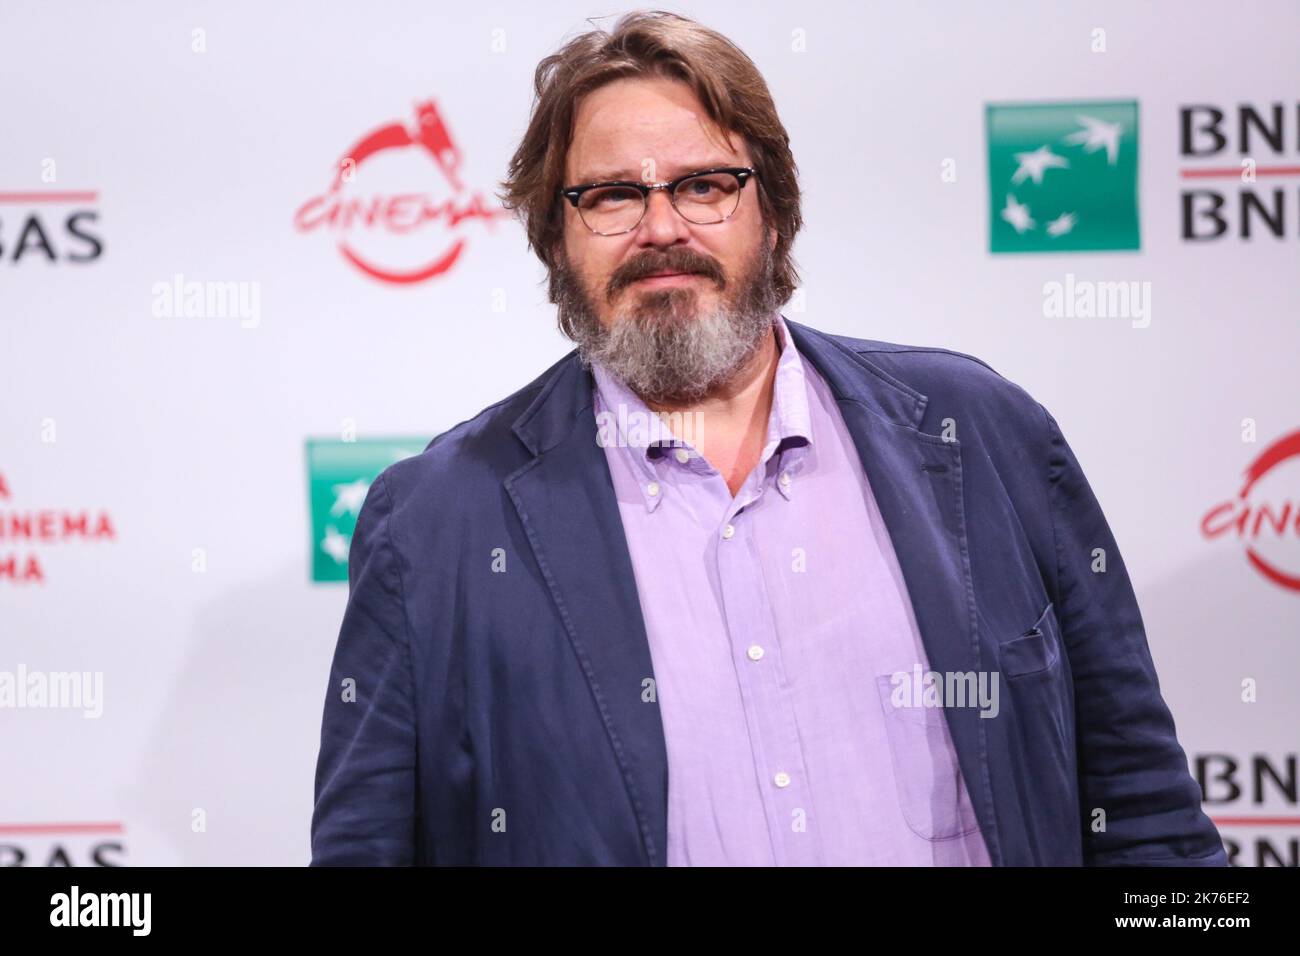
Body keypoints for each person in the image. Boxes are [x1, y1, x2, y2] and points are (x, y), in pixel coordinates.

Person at [310, 10, 1225, 866]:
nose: (661, 228)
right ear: (557, 239)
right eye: (613, 196)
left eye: (705, 185)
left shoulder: (979, 430)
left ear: (775, 208)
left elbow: (1142, 808)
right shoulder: (437, 522)